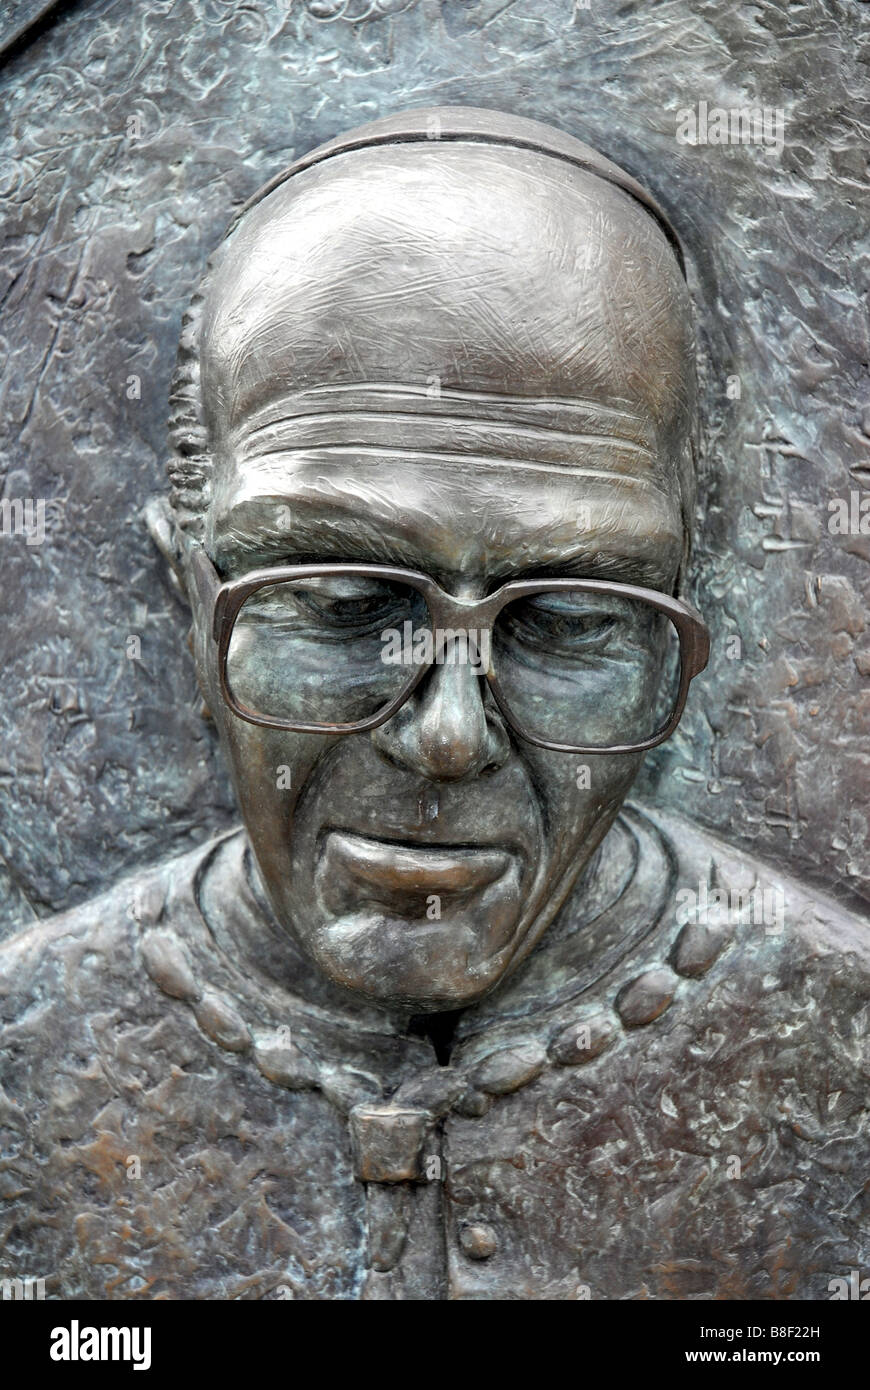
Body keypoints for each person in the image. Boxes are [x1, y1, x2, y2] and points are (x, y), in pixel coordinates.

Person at [1, 109, 866, 1300]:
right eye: (346, 600)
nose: (450, 737)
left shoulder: (842, 1062)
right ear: (187, 601)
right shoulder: (25, 1067)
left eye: (569, 618)